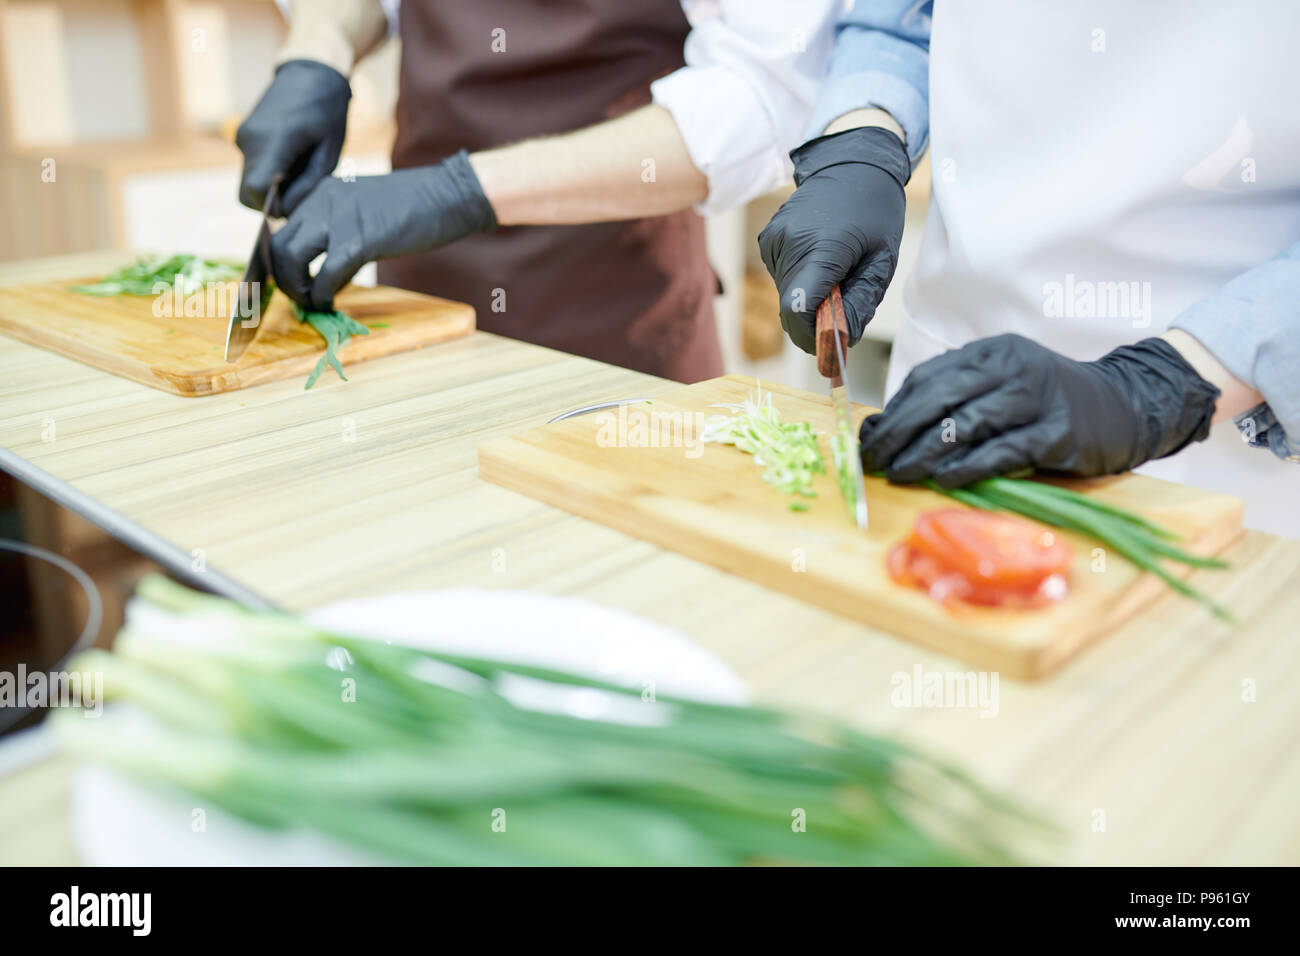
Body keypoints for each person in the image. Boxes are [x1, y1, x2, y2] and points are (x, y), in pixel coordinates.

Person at [759, 1, 1299, 536]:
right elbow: (902, 20)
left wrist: (1158, 390)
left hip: (1223, 436)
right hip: (946, 392)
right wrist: (861, 140)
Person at [236, 0, 842, 382]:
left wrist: (461, 189)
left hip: (613, 332)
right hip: (419, 308)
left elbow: (766, 96)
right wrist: (315, 56)